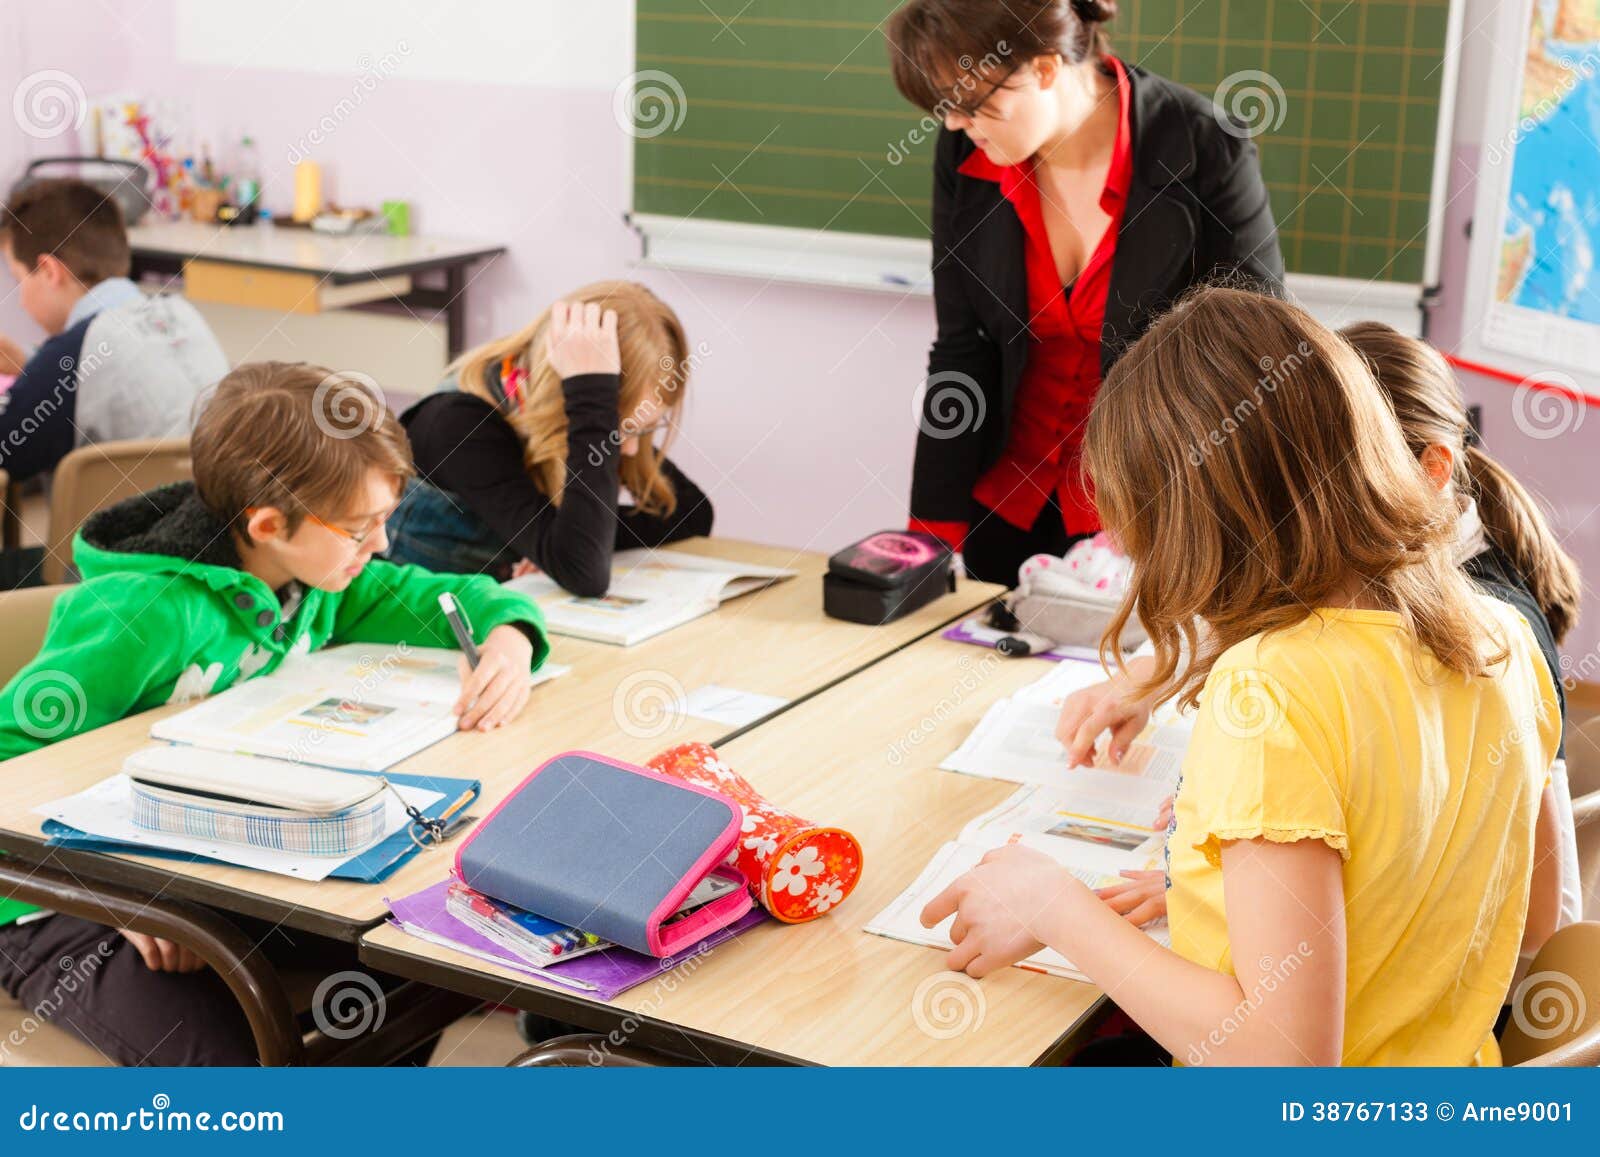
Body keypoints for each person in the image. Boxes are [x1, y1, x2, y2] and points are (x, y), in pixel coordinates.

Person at [924, 287, 1562, 1065]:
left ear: (1197, 521)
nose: (1125, 547)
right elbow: (1499, 913)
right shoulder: (1501, 640)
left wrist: (1051, 903)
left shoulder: (1270, 687)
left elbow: (1280, 1067)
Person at [0, 361, 549, 1065]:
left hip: (218, 871)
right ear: (266, 523)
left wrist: (507, 637)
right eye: (361, 527)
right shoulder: (140, 612)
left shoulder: (315, 577)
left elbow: (454, 596)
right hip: (61, 902)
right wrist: (110, 893)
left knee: (419, 963)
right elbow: (11, 760)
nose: (380, 545)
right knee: (227, 1062)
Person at [885, 0, 1283, 583]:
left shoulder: (1204, 143)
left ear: (1045, 68)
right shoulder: (968, 149)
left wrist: (1167, 517)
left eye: (970, 104)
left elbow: (1253, 353)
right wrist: (930, 535)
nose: (951, 123)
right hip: (1006, 498)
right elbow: (960, 348)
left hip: (1154, 515)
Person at [385, 281, 712, 594]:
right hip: (423, 635)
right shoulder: (457, 425)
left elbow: (692, 513)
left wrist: (561, 543)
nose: (627, 449)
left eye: (642, 428)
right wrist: (566, 549)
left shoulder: (574, 414)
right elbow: (586, 574)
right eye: (618, 430)